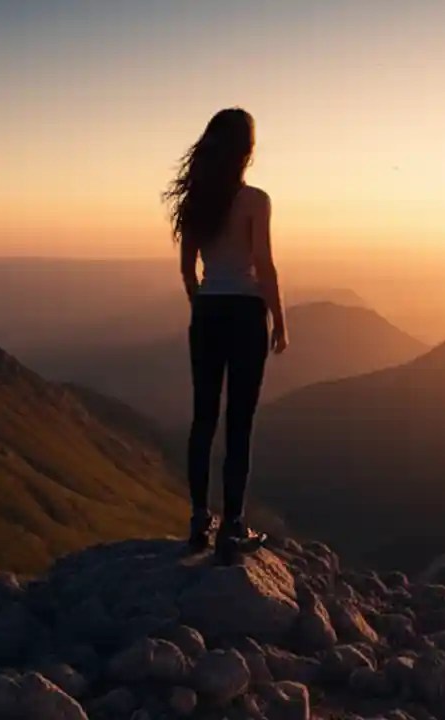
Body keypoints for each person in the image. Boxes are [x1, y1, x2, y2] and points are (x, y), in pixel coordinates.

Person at [164, 107, 288, 563]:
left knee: (203, 418)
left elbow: (187, 271)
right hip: (246, 312)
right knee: (240, 421)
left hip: (210, 311)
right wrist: (279, 318)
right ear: (248, 150)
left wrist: (203, 303)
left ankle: (199, 520)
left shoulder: (197, 200)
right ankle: (232, 525)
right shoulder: (256, 199)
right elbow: (265, 263)